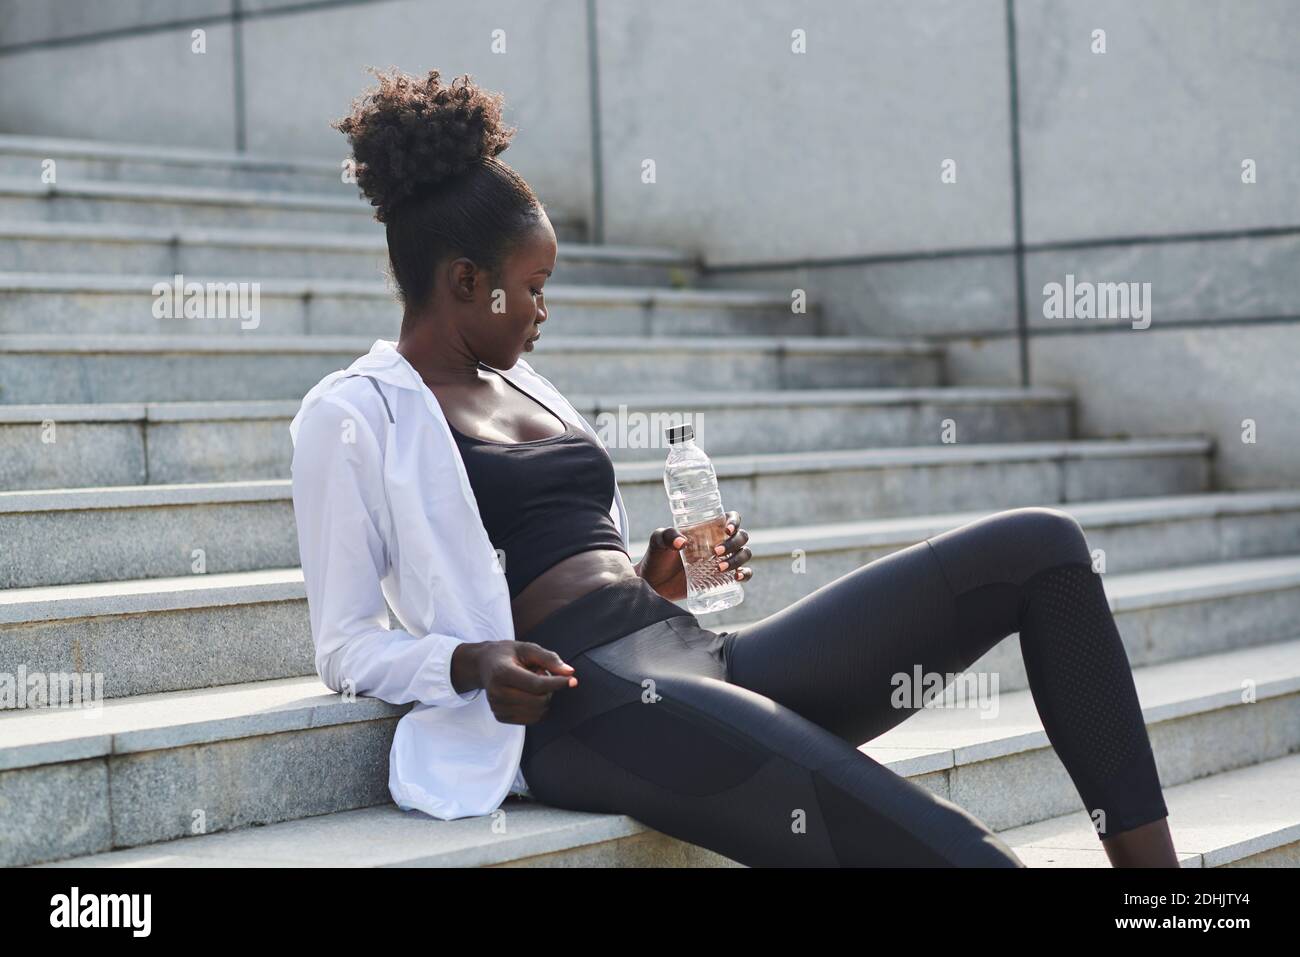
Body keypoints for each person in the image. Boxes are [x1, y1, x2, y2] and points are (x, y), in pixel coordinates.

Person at [291, 67, 1177, 867]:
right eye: (532, 287)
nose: (542, 310)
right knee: (955, 852)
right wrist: (471, 661)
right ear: (461, 282)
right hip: (592, 704)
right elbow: (345, 644)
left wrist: (654, 573)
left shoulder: (528, 383)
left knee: (1044, 552)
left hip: (693, 651)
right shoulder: (355, 413)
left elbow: (564, 548)